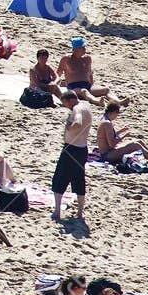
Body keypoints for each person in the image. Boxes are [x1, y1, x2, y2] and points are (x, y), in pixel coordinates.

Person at [52, 89, 91, 222]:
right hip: (82, 149)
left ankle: (57, 211)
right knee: (78, 179)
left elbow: (78, 123)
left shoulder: (77, 109)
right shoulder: (86, 107)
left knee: (60, 178)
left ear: (70, 100)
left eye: (65, 104)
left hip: (71, 149)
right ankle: (80, 212)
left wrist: (69, 126)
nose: (66, 107)